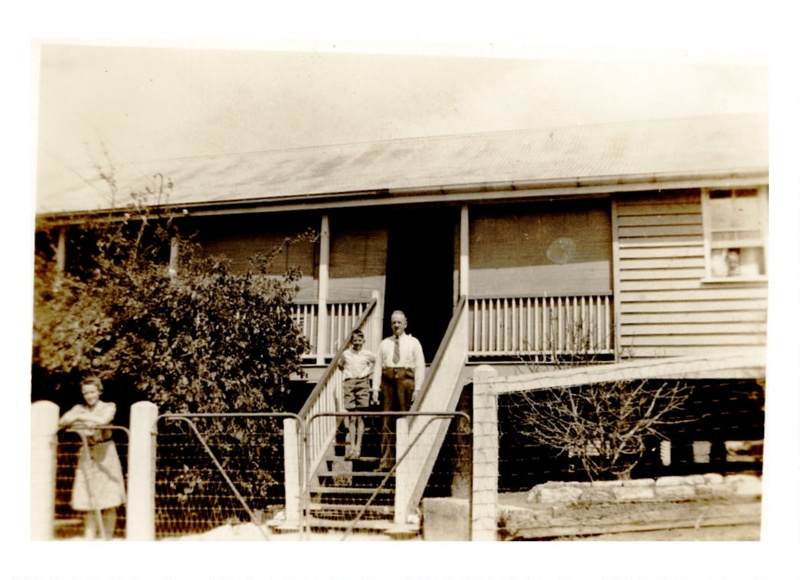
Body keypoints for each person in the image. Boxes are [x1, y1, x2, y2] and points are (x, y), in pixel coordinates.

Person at [59, 376, 126, 540]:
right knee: (89, 497)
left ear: (99, 391)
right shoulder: (78, 408)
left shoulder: (109, 406)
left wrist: (80, 418)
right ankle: (89, 538)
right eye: (86, 393)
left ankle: (107, 539)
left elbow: (102, 420)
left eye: (92, 392)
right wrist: (74, 418)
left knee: (110, 499)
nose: (89, 396)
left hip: (106, 452)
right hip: (87, 452)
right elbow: (62, 421)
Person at [372, 310, 425, 471]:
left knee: (405, 420)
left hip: (406, 381)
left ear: (405, 324)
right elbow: (378, 367)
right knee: (386, 421)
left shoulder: (413, 342)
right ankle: (386, 463)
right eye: (393, 322)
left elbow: (420, 366)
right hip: (387, 381)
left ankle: (405, 461)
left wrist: (418, 388)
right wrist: (375, 388)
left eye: (399, 322)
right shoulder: (384, 343)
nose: (396, 325)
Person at [337, 329, 376, 460]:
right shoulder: (346, 354)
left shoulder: (367, 354)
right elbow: (340, 365)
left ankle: (358, 447)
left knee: (360, 417)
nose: (357, 343)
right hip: (349, 383)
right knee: (352, 417)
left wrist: (367, 373)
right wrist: (348, 375)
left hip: (362, 383)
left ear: (363, 341)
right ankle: (352, 447)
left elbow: (377, 362)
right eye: (355, 341)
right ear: (351, 341)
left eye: (360, 341)